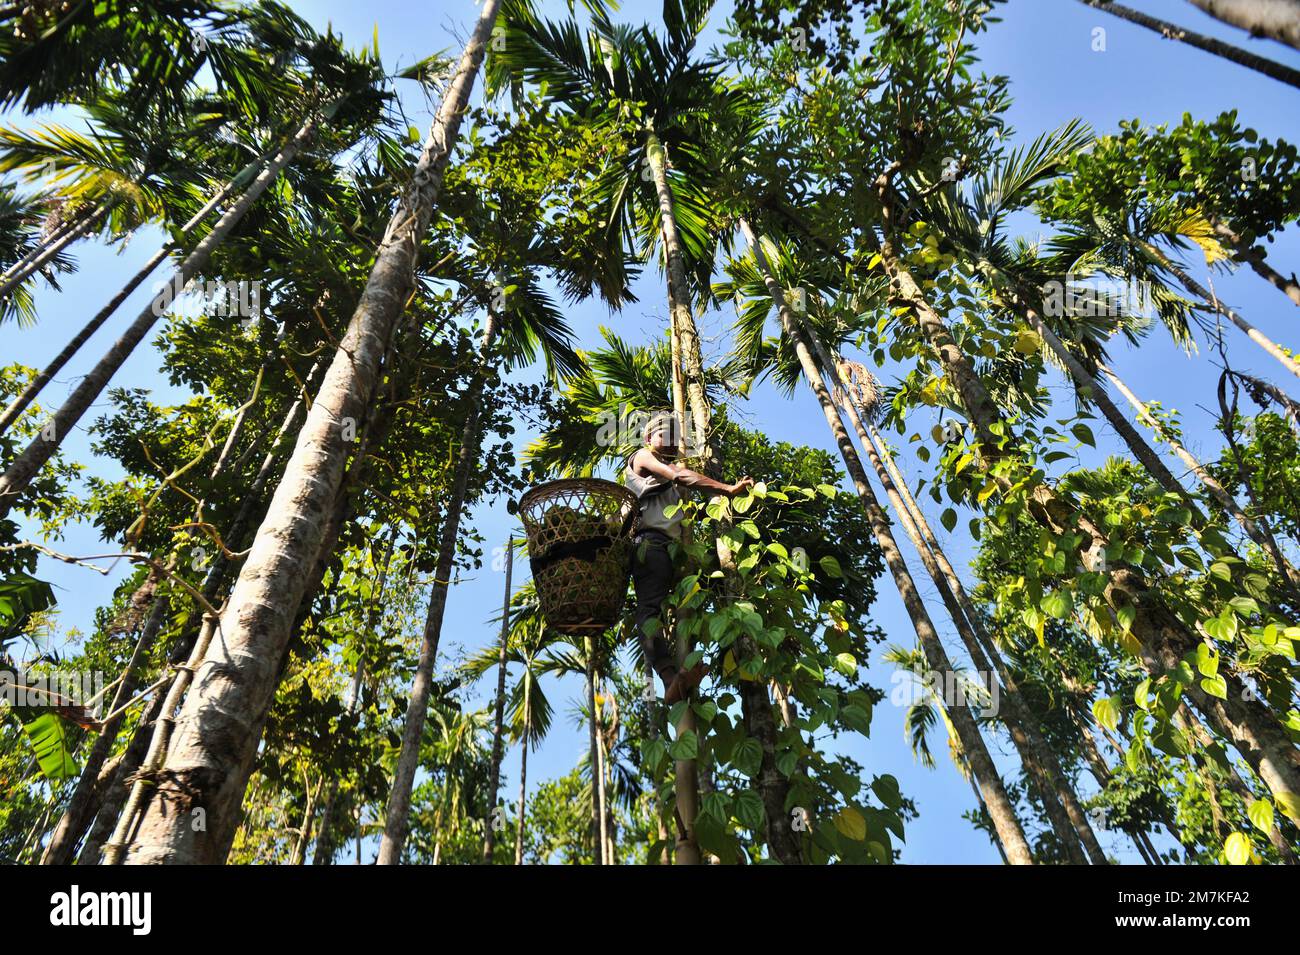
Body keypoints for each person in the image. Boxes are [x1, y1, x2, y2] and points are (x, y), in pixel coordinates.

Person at [624, 412, 754, 705]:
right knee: (648, 613)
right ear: (648, 439)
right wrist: (727, 489)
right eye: (663, 436)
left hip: (673, 553)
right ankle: (669, 677)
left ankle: (687, 671)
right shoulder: (643, 457)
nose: (669, 442)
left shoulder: (667, 468)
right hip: (651, 545)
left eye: (674, 437)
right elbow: (681, 476)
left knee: (692, 605)